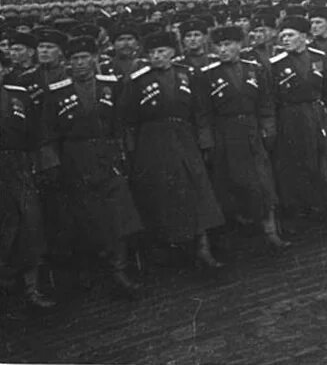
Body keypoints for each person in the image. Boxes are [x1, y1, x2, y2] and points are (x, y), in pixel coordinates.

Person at [40, 35, 143, 297]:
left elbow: (122, 122)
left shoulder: (111, 86)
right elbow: (48, 134)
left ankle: (119, 270)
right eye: (74, 59)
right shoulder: (57, 92)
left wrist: (125, 153)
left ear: (95, 59)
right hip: (75, 158)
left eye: (85, 58)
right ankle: (90, 269)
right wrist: (54, 166)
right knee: (84, 216)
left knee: (118, 213)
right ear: (67, 62)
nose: (80, 63)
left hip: (108, 155)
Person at [121, 30, 225, 269]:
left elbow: (200, 111)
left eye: (161, 51)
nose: (157, 56)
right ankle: (171, 249)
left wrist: (205, 141)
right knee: (163, 194)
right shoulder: (138, 81)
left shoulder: (187, 75)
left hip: (185, 139)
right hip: (153, 143)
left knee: (197, 190)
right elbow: (127, 120)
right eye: (152, 53)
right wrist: (132, 152)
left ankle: (203, 248)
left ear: (172, 52)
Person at [194, 25, 288, 251]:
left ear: (240, 45)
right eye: (219, 45)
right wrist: (207, 141)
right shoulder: (207, 75)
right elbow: (202, 113)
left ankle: (270, 231)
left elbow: (266, 103)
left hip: (252, 131)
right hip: (225, 135)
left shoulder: (254, 70)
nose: (223, 50)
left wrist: (268, 128)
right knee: (230, 184)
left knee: (263, 182)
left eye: (228, 44)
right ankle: (237, 234)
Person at [269, 15, 327, 235]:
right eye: (283, 36)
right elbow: (271, 100)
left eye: (290, 35)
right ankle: (304, 218)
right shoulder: (275, 65)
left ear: (304, 37)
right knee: (298, 167)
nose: (286, 39)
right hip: (291, 119)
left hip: (318, 116)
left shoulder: (319, 58)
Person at [0, 80, 55, 308]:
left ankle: (32, 288)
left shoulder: (19, 96)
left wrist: (40, 167)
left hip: (18, 165)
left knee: (29, 223)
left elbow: (36, 135)